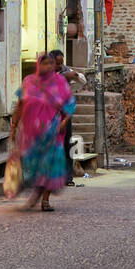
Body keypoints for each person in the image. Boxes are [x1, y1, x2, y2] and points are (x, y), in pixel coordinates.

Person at [9, 51, 75, 212]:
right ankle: (36, 195)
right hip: (32, 134)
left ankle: (45, 200)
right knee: (34, 166)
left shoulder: (60, 82)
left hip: (53, 132)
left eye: (51, 64)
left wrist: (64, 122)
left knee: (50, 166)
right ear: (39, 65)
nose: (48, 67)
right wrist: (13, 126)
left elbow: (70, 104)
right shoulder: (29, 82)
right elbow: (20, 104)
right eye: (45, 63)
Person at [51, 49, 79, 186]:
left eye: (61, 63)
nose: (60, 66)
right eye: (57, 64)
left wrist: (75, 75)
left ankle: (68, 177)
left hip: (65, 115)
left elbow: (82, 81)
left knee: (67, 145)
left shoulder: (66, 71)